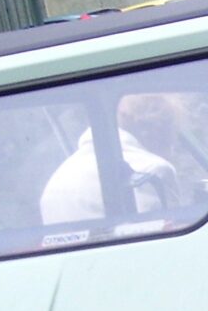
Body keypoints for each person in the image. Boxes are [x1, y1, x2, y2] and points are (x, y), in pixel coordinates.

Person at [40, 94, 184, 224]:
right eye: (171, 132)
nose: (173, 145)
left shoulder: (59, 177)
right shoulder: (153, 169)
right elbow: (166, 237)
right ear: (154, 131)